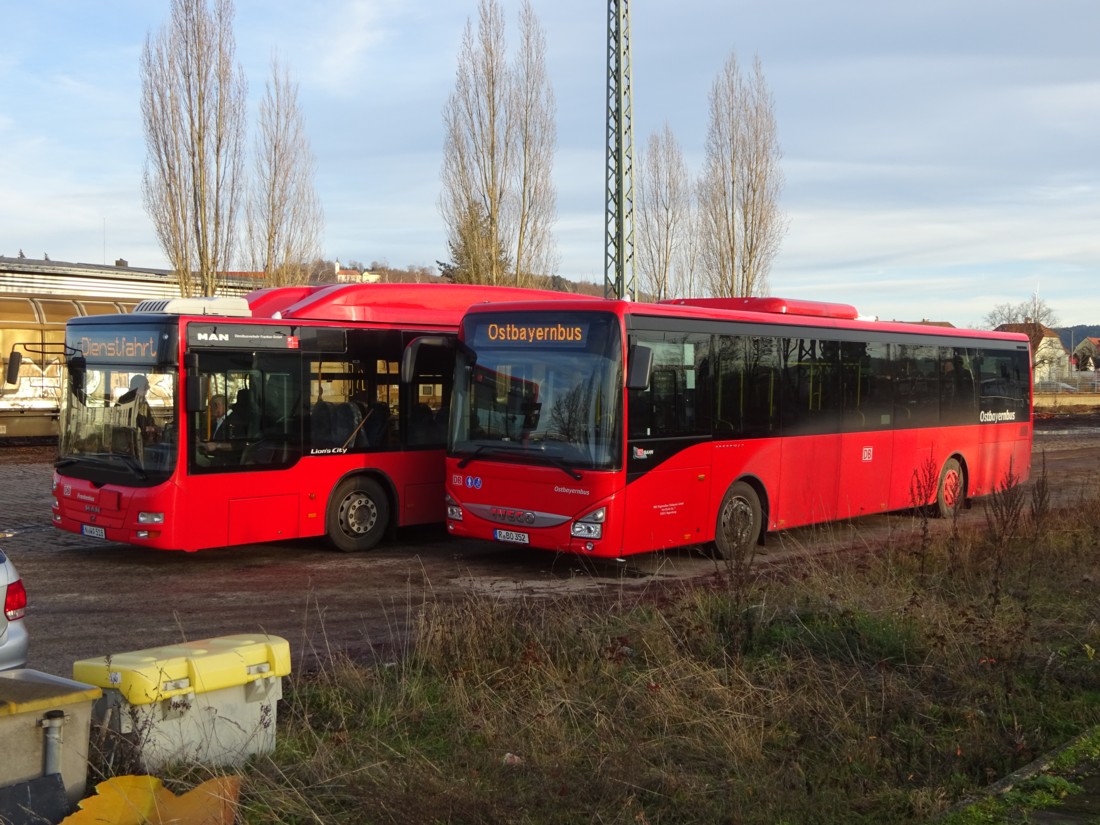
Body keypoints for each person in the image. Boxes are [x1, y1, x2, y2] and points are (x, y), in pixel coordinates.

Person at [117, 374, 158, 442]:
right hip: (127, 438)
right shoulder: (124, 400)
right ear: (138, 387)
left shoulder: (142, 401)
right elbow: (127, 420)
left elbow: (149, 420)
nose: (148, 388)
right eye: (145, 387)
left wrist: (153, 427)